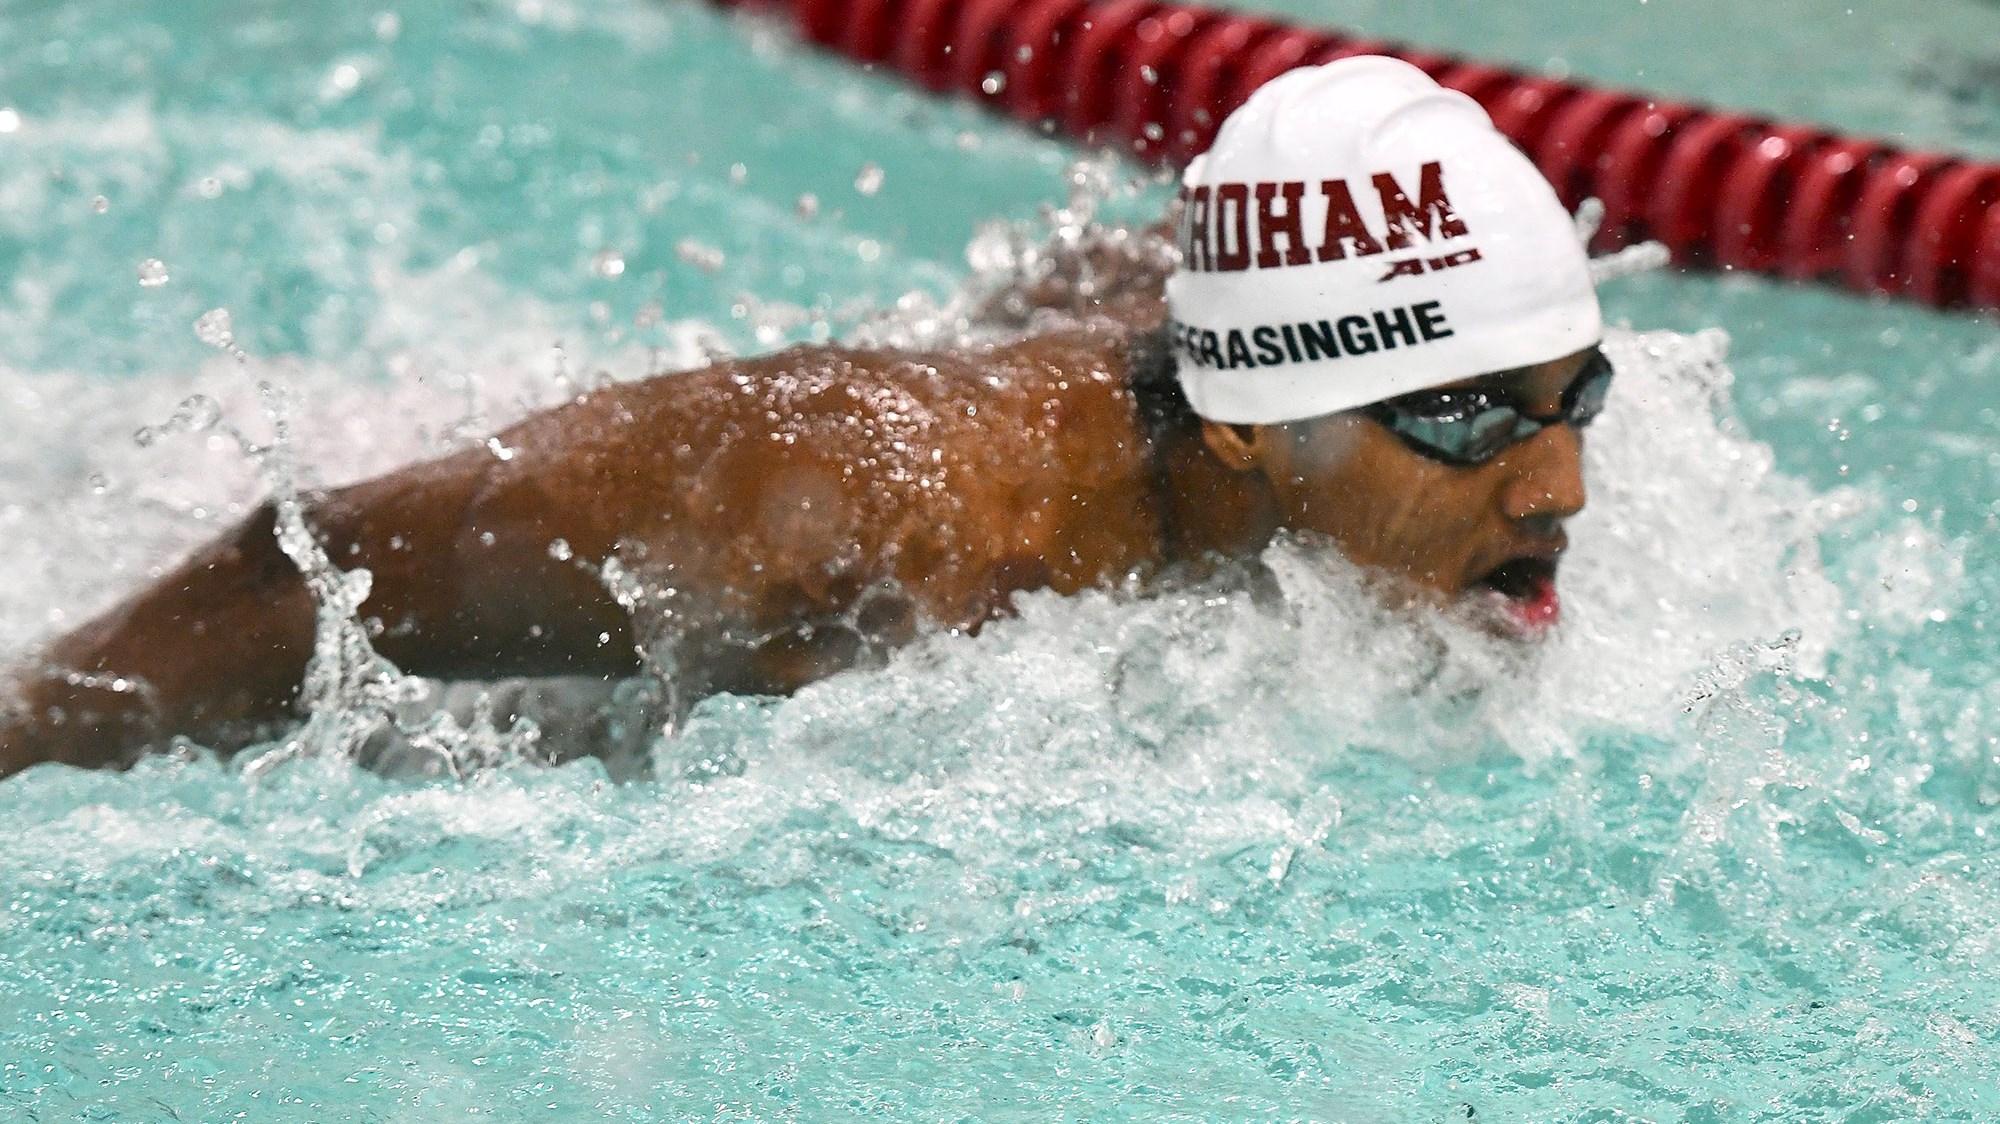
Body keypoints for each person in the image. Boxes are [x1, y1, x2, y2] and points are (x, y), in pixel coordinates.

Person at [0, 56, 1608, 777]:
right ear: (1252, 423)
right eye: (1471, 418)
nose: (1563, 487)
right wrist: (30, 730)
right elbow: (311, 566)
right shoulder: (857, 510)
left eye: (1572, 400)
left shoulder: (1432, 464)